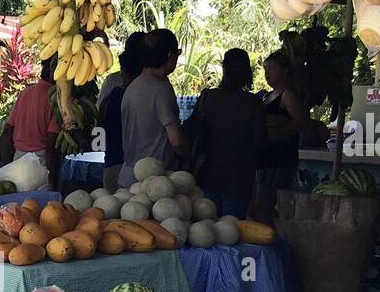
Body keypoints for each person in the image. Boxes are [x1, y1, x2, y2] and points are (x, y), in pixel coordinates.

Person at [186, 48, 268, 219]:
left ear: (224, 69)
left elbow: (191, 130)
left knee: (205, 228)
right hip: (239, 177)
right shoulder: (252, 103)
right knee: (231, 231)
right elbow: (260, 142)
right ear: (247, 71)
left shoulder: (208, 97)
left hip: (207, 172)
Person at [118, 28, 187, 187]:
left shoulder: (132, 87)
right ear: (170, 56)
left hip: (128, 176)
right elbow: (176, 141)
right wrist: (190, 157)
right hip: (155, 184)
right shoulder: (160, 89)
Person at [251, 50, 312, 223]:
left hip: (279, 160)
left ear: (285, 70)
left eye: (272, 68)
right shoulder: (267, 96)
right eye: (265, 69)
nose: (267, 73)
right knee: (257, 207)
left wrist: (277, 135)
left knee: (266, 209)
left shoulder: (288, 94)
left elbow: (302, 120)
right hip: (264, 160)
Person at [0, 56, 67, 190]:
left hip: (18, 160)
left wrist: (5, 165)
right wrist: (52, 178)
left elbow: (7, 131)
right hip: (40, 164)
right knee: (39, 209)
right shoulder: (56, 99)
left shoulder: (25, 93)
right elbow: (52, 142)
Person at [97, 36, 145, 193]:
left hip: (115, 159)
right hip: (137, 163)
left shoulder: (115, 93)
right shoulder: (149, 92)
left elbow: (100, 121)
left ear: (123, 69)